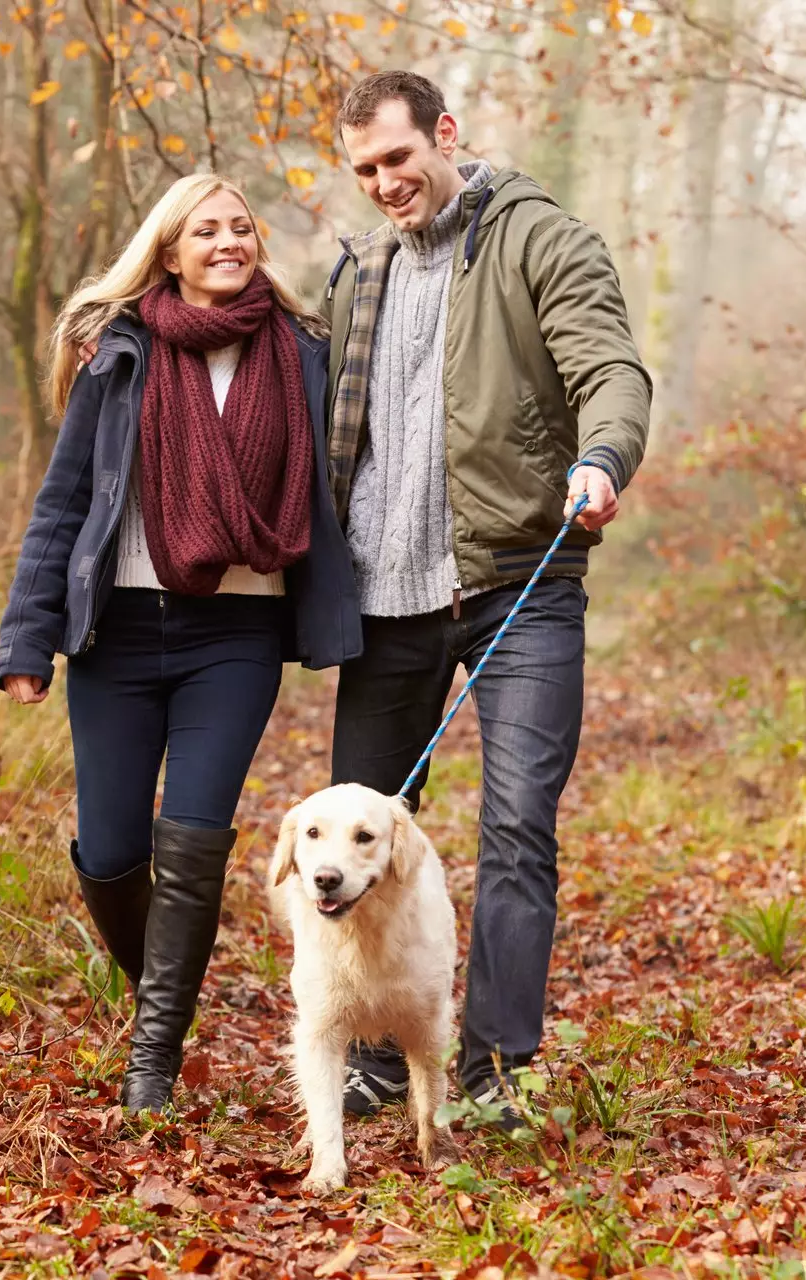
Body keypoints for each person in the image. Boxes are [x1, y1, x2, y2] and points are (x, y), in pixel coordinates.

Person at [321, 71, 652, 1121]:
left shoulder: (542, 243)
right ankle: (377, 1057)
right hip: (386, 600)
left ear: (445, 135)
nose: (384, 182)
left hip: (521, 582)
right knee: (353, 847)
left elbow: (611, 369)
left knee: (517, 827)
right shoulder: (355, 273)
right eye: (365, 169)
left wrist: (602, 457)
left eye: (397, 157)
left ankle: (497, 1072)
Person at [0, 174, 361, 1115]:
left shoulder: (303, 353)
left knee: (192, 841)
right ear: (170, 252)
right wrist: (27, 637)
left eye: (242, 228)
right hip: (117, 634)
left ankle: (153, 1060)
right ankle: (165, 985)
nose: (229, 242)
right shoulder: (120, 354)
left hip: (234, 637)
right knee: (111, 850)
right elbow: (65, 501)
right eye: (207, 231)